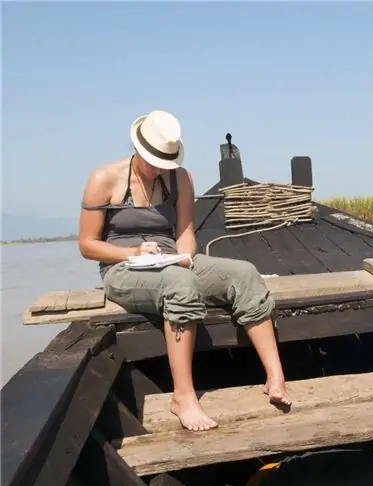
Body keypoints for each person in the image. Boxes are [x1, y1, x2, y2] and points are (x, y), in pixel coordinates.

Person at [78, 109, 291, 432]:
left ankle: (275, 376)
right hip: (122, 268)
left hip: (170, 262)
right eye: (154, 162)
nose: (159, 169)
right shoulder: (104, 179)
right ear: (138, 150)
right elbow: (88, 245)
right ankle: (183, 396)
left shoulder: (180, 178)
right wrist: (134, 252)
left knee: (244, 273)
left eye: (166, 162)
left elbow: (186, 232)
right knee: (180, 284)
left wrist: (184, 256)